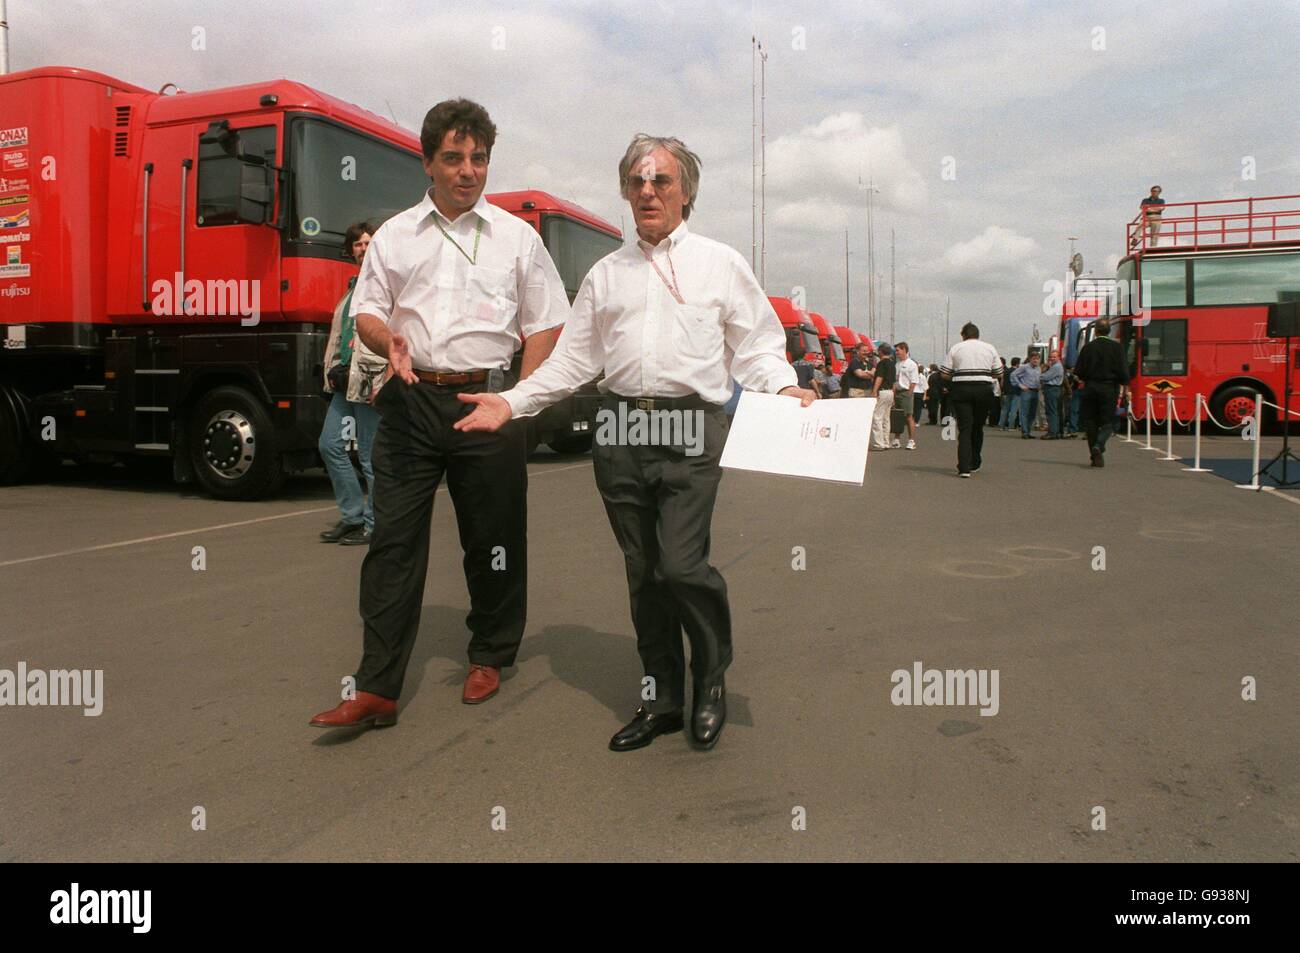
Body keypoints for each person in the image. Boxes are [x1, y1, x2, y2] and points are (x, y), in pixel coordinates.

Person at [454, 134, 816, 752]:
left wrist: (783, 388)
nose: (648, 191)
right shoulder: (605, 275)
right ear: (626, 191)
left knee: (681, 564)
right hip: (620, 429)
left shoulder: (720, 264)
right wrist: (511, 402)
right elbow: (572, 363)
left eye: (661, 181)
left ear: (685, 192)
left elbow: (756, 342)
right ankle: (662, 698)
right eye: (637, 181)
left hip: (692, 427)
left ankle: (711, 678)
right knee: (644, 572)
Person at [310, 98, 571, 730]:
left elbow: (548, 322)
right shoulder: (397, 235)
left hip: (487, 402)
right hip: (411, 401)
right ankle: (376, 687)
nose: (467, 170)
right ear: (427, 162)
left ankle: (490, 651)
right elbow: (369, 309)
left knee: (495, 540)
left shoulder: (518, 237)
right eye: (453, 158)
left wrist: (517, 400)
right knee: (392, 541)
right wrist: (384, 340)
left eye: (478, 158)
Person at [319, 221, 385, 546]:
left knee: (370, 456)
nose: (363, 249)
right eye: (357, 245)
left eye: (368, 243)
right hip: (345, 381)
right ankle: (352, 517)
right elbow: (339, 337)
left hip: (370, 381)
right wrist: (331, 370)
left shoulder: (386, 286)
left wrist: (384, 380)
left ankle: (374, 526)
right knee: (329, 444)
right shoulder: (350, 291)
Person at [940, 322, 1001, 478]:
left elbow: (944, 373)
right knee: (978, 427)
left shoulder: (956, 348)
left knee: (965, 428)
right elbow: (998, 372)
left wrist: (958, 376)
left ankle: (964, 467)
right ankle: (975, 461)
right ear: (978, 334)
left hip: (962, 390)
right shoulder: (989, 348)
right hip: (983, 390)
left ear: (963, 335)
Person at [1074, 317, 1132, 468]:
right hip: (1109, 388)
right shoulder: (1117, 348)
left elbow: (1079, 371)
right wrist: (1125, 388)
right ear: (1109, 330)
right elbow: (1124, 372)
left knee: (1091, 421)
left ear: (1096, 331)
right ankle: (1099, 446)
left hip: (1091, 387)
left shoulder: (1088, 348)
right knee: (1107, 422)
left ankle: (1094, 455)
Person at [870, 343, 897, 451]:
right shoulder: (892, 364)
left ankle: (879, 443)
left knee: (877, 417)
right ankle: (886, 442)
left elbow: (879, 377)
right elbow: (894, 381)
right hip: (890, 391)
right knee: (886, 418)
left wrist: (874, 391)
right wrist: (894, 395)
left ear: (881, 351)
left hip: (882, 391)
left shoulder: (881, 363)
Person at [892, 341, 919, 449]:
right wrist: (893, 394)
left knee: (908, 417)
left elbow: (914, 381)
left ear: (904, 350)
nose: (896, 353)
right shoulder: (897, 364)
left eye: (898, 350)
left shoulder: (911, 364)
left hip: (906, 392)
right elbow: (895, 380)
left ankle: (911, 441)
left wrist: (909, 393)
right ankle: (896, 439)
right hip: (897, 392)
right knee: (897, 416)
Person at [1011, 352, 1041, 439]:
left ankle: (1028, 431)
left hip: (1035, 391)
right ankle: (1024, 432)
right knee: (1025, 412)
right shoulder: (1024, 367)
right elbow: (1013, 375)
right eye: (1034, 358)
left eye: (1037, 359)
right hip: (1026, 391)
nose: (1035, 360)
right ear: (1030, 359)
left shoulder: (1038, 368)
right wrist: (1020, 385)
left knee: (1032, 413)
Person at [1040, 349, 1065, 439]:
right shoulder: (1056, 366)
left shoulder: (1056, 367)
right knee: (1056, 411)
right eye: (1051, 357)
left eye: (1054, 357)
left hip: (1052, 389)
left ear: (1058, 357)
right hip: (1056, 389)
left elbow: (1046, 377)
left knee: (1051, 411)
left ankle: (1052, 432)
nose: (1052, 358)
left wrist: (1039, 375)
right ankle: (1057, 432)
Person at [913, 361, 927, 426]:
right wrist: (925, 396)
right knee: (918, 409)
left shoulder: (913, 376)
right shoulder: (923, 377)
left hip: (913, 393)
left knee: (912, 408)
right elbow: (925, 387)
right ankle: (916, 422)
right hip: (919, 394)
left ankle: (912, 421)